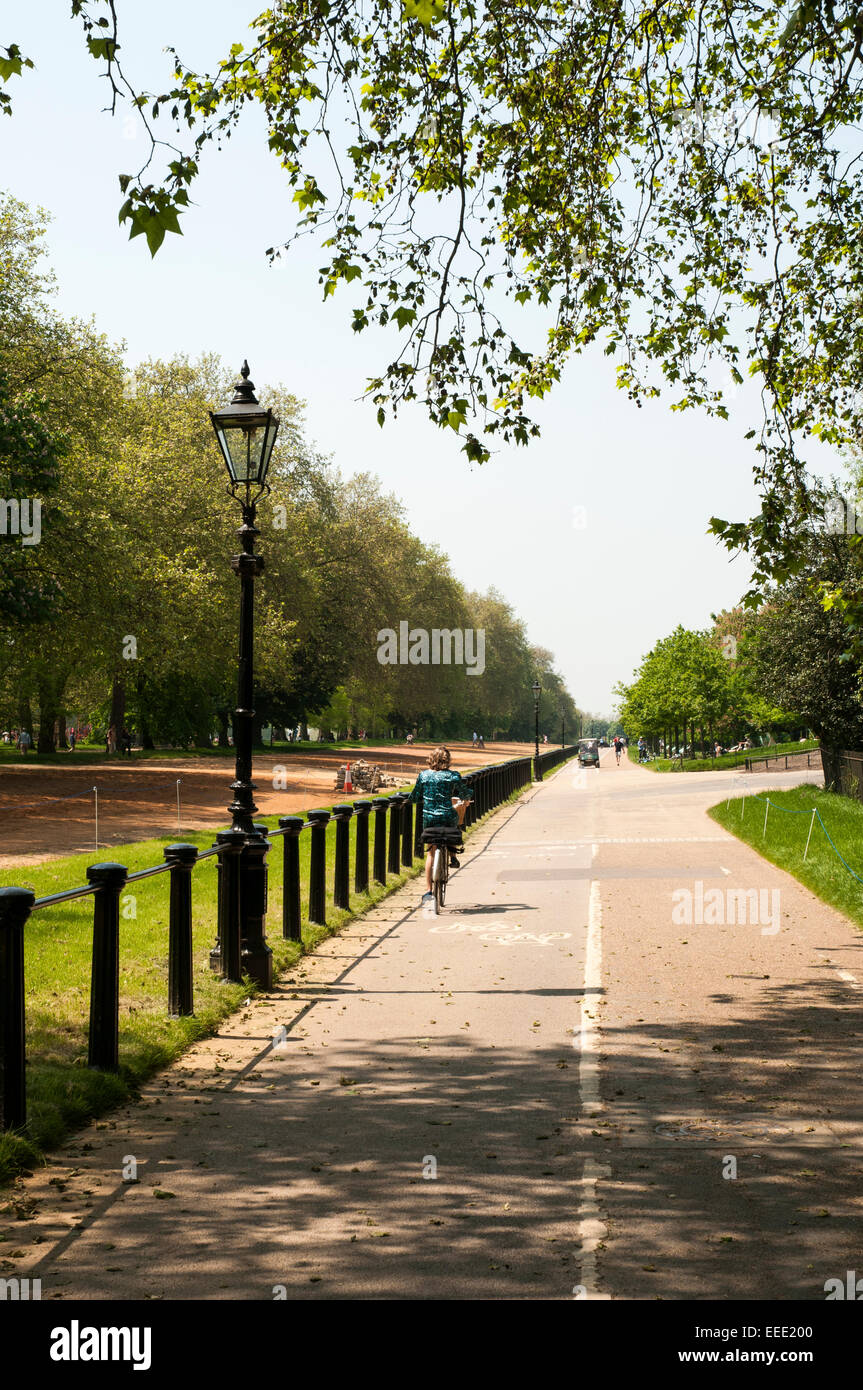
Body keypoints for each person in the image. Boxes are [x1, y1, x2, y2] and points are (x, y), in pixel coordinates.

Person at [409, 746, 475, 907]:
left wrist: (418, 799)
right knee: (453, 825)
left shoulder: (423, 775)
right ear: (448, 760)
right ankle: (452, 856)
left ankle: (428, 890)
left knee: (430, 854)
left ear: (431, 760)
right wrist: (466, 799)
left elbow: (414, 796)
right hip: (447, 815)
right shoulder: (453, 776)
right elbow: (465, 792)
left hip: (429, 817)